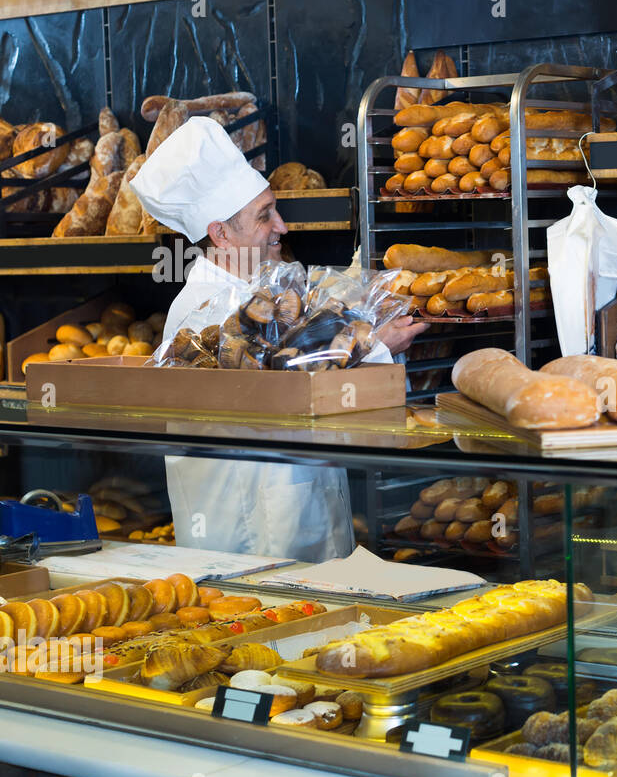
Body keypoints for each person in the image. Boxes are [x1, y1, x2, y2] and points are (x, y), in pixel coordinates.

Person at [131, 116, 428, 561]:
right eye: (264, 216)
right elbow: (281, 391)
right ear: (221, 233)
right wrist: (374, 343)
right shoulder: (204, 313)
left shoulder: (265, 295)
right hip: (250, 535)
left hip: (298, 514)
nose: (283, 227)